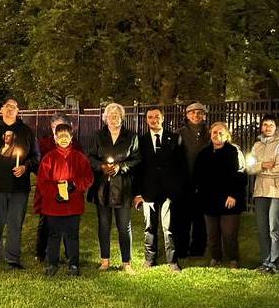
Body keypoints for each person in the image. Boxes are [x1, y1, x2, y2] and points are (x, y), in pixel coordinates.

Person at [0, 97, 38, 270]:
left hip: (19, 187)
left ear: (18, 111)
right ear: (1, 110)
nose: (10, 109)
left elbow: (36, 156)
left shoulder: (26, 131)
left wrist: (25, 167)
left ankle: (13, 257)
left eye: (14, 107)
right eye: (7, 107)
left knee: (15, 223)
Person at [86, 103, 141, 273]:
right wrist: (101, 167)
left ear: (122, 117)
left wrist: (120, 167)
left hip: (122, 187)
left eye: (117, 114)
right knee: (104, 224)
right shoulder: (98, 135)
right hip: (102, 186)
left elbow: (137, 158)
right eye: (110, 114)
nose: (114, 117)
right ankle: (105, 260)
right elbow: (90, 157)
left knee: (124, 226)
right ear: (105, 117)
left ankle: (127, 262)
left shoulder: (131, 136)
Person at [132, 108, 187, 271]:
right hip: (148, 192)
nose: (154, 120)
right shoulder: (140, 141)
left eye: (157, 117)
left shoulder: (175, 138)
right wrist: (137, 193)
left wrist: (177, 190)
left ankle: (172, 261)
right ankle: (149, 259)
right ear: (146, 120)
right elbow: (137, 169)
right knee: (150, 227)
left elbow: (181, 166)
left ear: (162, 118)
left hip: (169, 192)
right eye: (150, 117)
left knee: (169, 227)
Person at [36, 123, 93, 276]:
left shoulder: (79, 157)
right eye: (59, 136)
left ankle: (73, 264)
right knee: (53, 235)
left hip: (73, 204)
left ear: (71, 138)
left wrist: (74, 185)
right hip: (53, 204)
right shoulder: (48, 158)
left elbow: (88, 177)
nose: (63, 139)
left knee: (72, 235)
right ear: (54, 138)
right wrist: (56, 192)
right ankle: (52, 263)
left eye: (66, 136)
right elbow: (42, 181)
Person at [192, 122, 247, 268]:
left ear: (227, 135)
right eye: (214, 132)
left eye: (221, 132)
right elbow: (197, 176)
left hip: (230, 200)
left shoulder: (234, 151)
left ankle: (233, 259)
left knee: (229, 234)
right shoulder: (204, 153)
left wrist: (233, 195)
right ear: (210, 134)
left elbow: (241, 175)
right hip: (209, 201)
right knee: (212, 234)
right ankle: (215, 257)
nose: (217, 135)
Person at [32, 115, 82, 262]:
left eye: (61, 127)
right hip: (49, 188)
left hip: (69, 189)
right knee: (46, 221)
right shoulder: (44, 143)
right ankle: (41, 252)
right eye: (55, 127)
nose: (58, 131)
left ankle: (69, 254)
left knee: (69, 224)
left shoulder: (75, 145)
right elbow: (38, 162)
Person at [245, 115, 279, 274]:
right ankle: (266, 261)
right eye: (265, 125)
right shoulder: (257, 145)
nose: (268, 127)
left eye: (271, 125)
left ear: (276, 127)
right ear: (261, 127)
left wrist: (259, 169)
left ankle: (276, 262)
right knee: (262, 228)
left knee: (274, 227)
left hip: (277, 191)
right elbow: (249, 168)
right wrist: (263, 165)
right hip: (260, 191)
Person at [176, 102, 211, 258]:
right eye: (193, 112)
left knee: (200, 219)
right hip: (184, 181)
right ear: (187, 115)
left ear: (204, 115)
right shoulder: (180, 133)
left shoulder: (210, 133)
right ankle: (181, 249)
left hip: (204, 182)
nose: (196, 115)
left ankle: (198, 249)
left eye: (199, 113)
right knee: (183, 218)